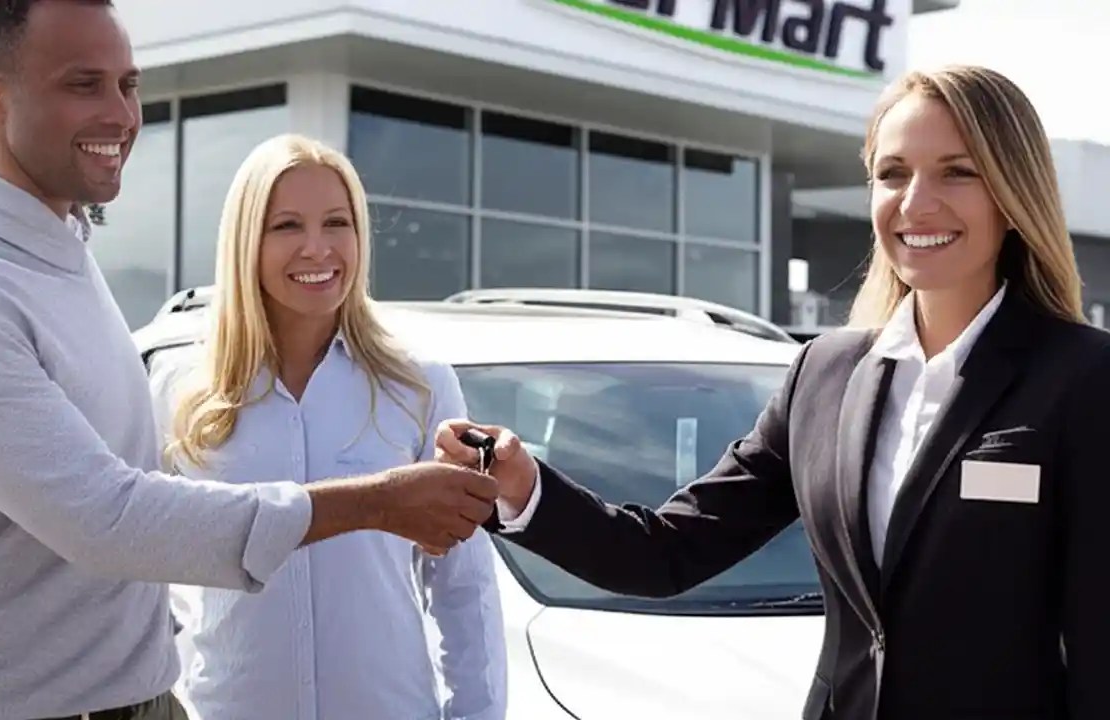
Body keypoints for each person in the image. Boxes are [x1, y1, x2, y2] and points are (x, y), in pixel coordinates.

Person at [0, 2, 495, 719]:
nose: (122, 115)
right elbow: (108, 520)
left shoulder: (61, 255)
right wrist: (376, 502)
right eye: (83, 84)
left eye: (128, 84)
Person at [436, 64, 1109, 720]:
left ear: (1013, 194)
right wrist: (524, 489)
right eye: (892, 173)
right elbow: (668, 552)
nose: (915, 202)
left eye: (957, 172)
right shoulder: (825, 373)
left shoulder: (1083, 378)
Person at [145, 133, 507, 720]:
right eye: (287, 226)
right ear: (246, 242)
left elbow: (464, 587)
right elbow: (140, 565)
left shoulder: (421, 387)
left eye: (337, 223)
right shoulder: (179, 393)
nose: (317, 249)